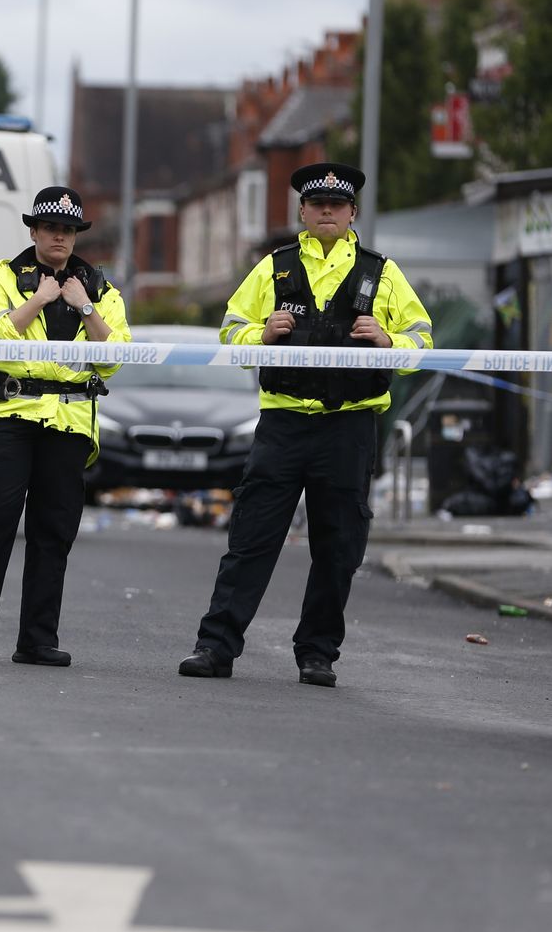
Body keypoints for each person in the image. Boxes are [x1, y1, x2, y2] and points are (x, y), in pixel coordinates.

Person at [178, 162, 432, 688]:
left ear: (352, 212)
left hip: (349, 426)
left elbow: (423, 341)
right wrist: (262, 335)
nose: (326, 212)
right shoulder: (274, 267)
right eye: (317, 204)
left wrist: (389, 341)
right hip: (284, 423)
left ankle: (317, 654)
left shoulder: (381, 272)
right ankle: (215, 647)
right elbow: (229, 333)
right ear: (302, 211)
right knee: (251, 539)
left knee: (339, 549)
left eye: (336, 205)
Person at [0, 186, 131, 667]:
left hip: (70, 419)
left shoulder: (99, 287)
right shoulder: (2, 277)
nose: (60, 237)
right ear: (33, 231)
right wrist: (37, 301)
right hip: (9, 413)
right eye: (51, 228)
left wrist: (85, 308)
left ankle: (37, 640)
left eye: (68, 230)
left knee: (53, 534)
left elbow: (114, 359)